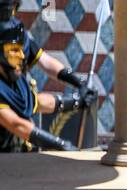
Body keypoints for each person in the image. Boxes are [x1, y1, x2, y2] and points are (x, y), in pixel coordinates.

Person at [0, 18, 93, 152]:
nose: (22, 56)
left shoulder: (14, 81)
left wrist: (78, 99)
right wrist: (60, 145)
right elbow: (17, 125)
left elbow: (36, 102)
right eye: (15, 50)